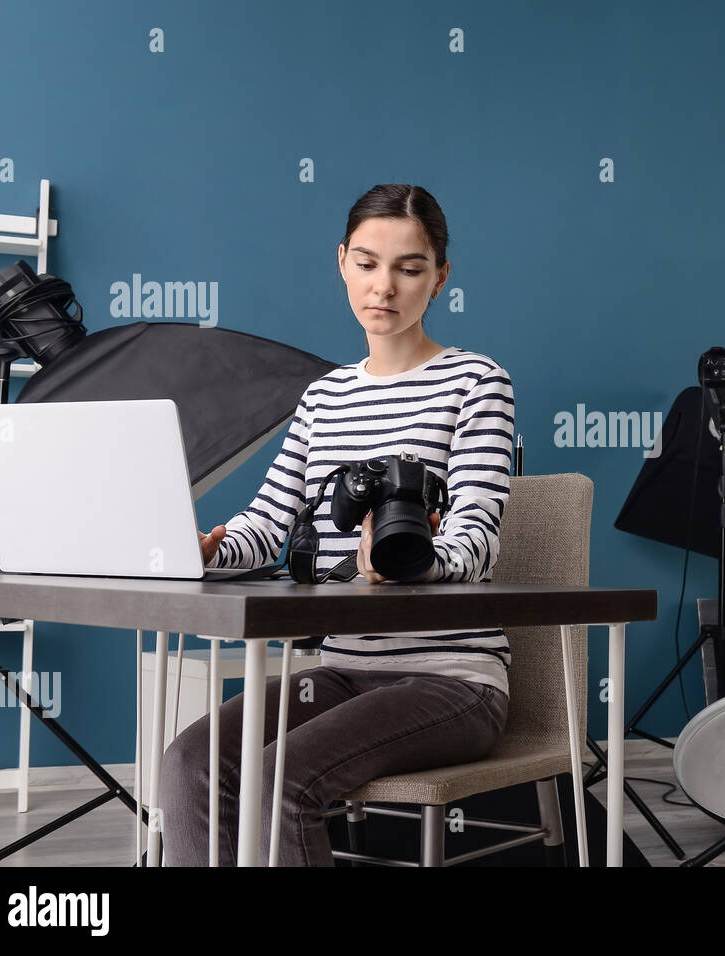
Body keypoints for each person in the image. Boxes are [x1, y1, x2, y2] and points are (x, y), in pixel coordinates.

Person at [159, 184, 514, 866]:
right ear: (342, 262)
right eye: (367, 262)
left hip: (451, 681)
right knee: (188, 764)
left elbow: (475, 534)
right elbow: (267, 525)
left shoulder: (475, 382)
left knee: (278, 781)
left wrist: (412, 561)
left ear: (439, 278)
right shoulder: (323, 398)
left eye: (410, 268)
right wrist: (206, 550)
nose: (384, 286)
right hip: (344, 670)